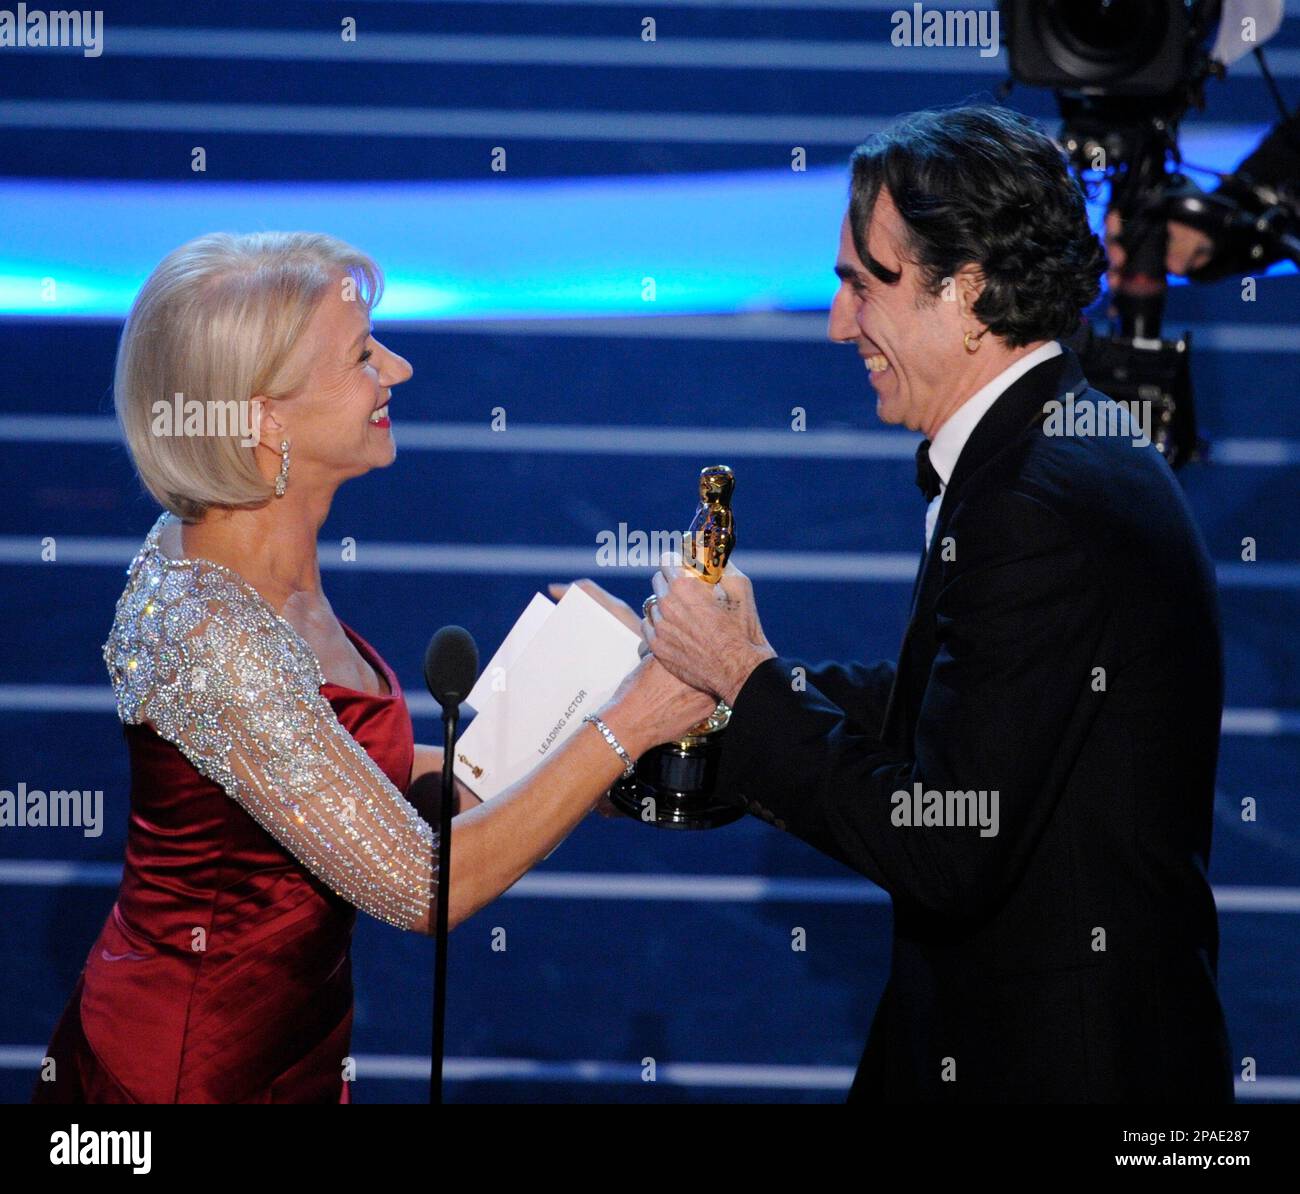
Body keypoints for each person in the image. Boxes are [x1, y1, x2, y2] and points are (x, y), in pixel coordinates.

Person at [31, 231, 714, 1104]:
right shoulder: (212, 635)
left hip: (295, 1057)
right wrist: (628, 724)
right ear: (263, 416)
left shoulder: (255, 561)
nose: (397, 369)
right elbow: (423, 887)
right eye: (361, 355)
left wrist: (579, 724)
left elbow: (345, 776)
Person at [642, 105, 1234, 1103]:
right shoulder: (1054, 446)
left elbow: (951, 839)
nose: (838, 325)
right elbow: (966, 704)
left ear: (965, 297)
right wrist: (725, 693)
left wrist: (742, 678)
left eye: (862, 286)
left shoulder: (1035, 498)